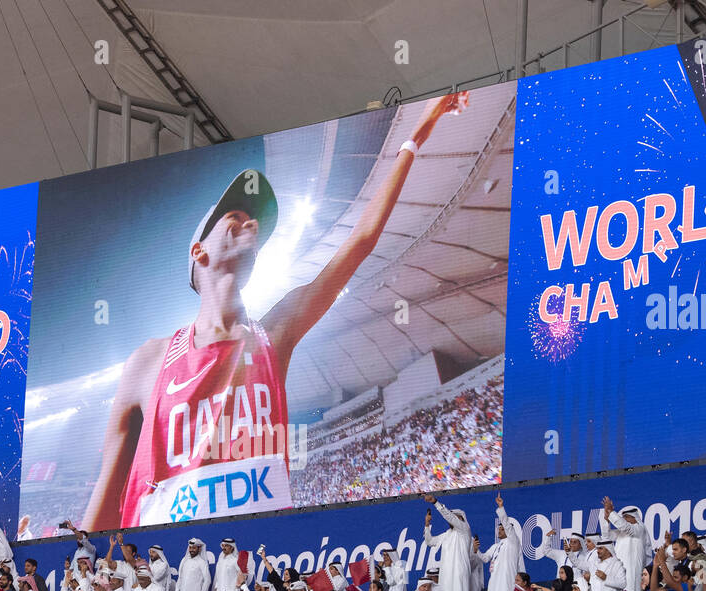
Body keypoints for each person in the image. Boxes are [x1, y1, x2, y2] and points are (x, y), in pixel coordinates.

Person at [82, 94, 462, 531]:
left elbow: (361, 241)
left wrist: (416, 136)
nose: (251, 224)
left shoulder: (274, 334)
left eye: (254, 222)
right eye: (236, 215)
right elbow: (101, 510)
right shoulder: (148, 363)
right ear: (198, 251)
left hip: (252, 568)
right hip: (164, 578)